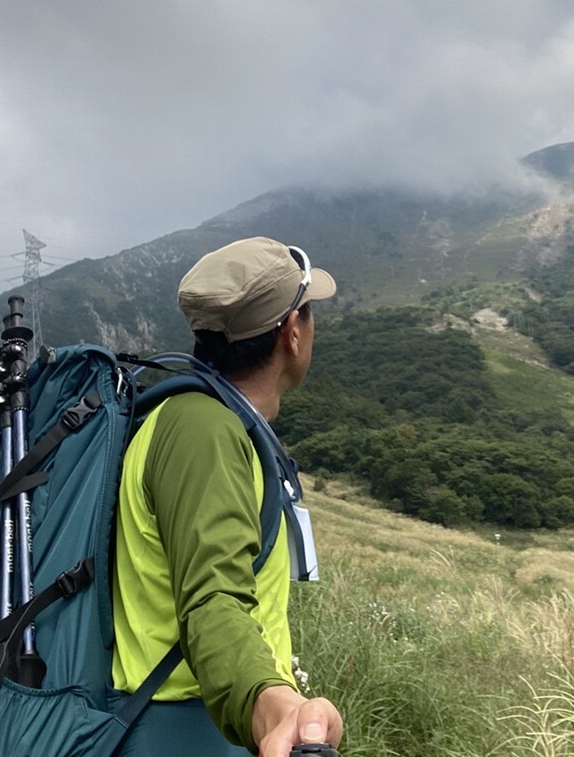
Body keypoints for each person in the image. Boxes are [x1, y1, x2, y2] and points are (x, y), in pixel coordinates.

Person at [111, 237, 345, 757]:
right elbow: (212, 598)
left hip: (200, 720)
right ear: (291, 333)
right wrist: (274, 709)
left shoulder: (203, 420)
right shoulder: (204, 432)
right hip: (190, 730)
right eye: (308, 313)